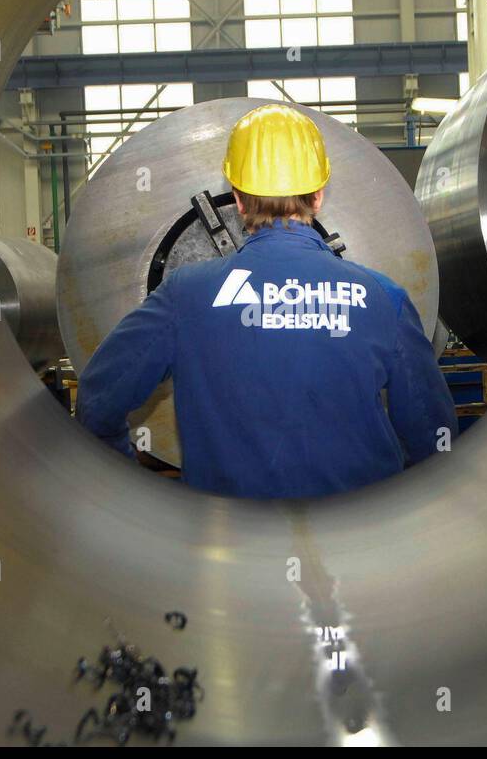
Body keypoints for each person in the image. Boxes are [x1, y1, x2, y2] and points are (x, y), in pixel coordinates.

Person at [78, 103, 457, 499]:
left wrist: (133, 495)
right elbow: (434, 441)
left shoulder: (184, 295)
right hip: (353, 544)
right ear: (319, 197)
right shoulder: (384, 299)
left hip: (227, 541)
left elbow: (97, 401)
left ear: (238, 200)